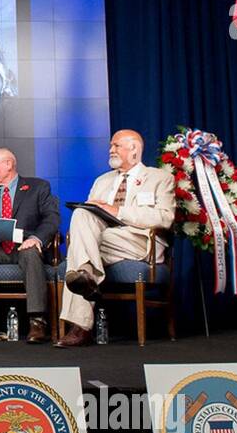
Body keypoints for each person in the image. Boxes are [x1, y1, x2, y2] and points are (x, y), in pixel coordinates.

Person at [57, 129, 176, 348]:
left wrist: (118, 211)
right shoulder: (102, 181)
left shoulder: (160, 178)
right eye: (111, 145)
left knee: (79, 249)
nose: (111, 150)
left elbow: (165, 218)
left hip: (139, 240)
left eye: (116, 145)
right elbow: (89, 222)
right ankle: (85, 276)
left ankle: (80, 325)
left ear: (134, 149)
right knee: (82, 213)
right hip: (104, 240)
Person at [0, 148, 59, 343]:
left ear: (8, 164)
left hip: (25, 246)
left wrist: (36, 239)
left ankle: (37, 321)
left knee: (30, 251)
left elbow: (52, 218)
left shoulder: (38, 187)